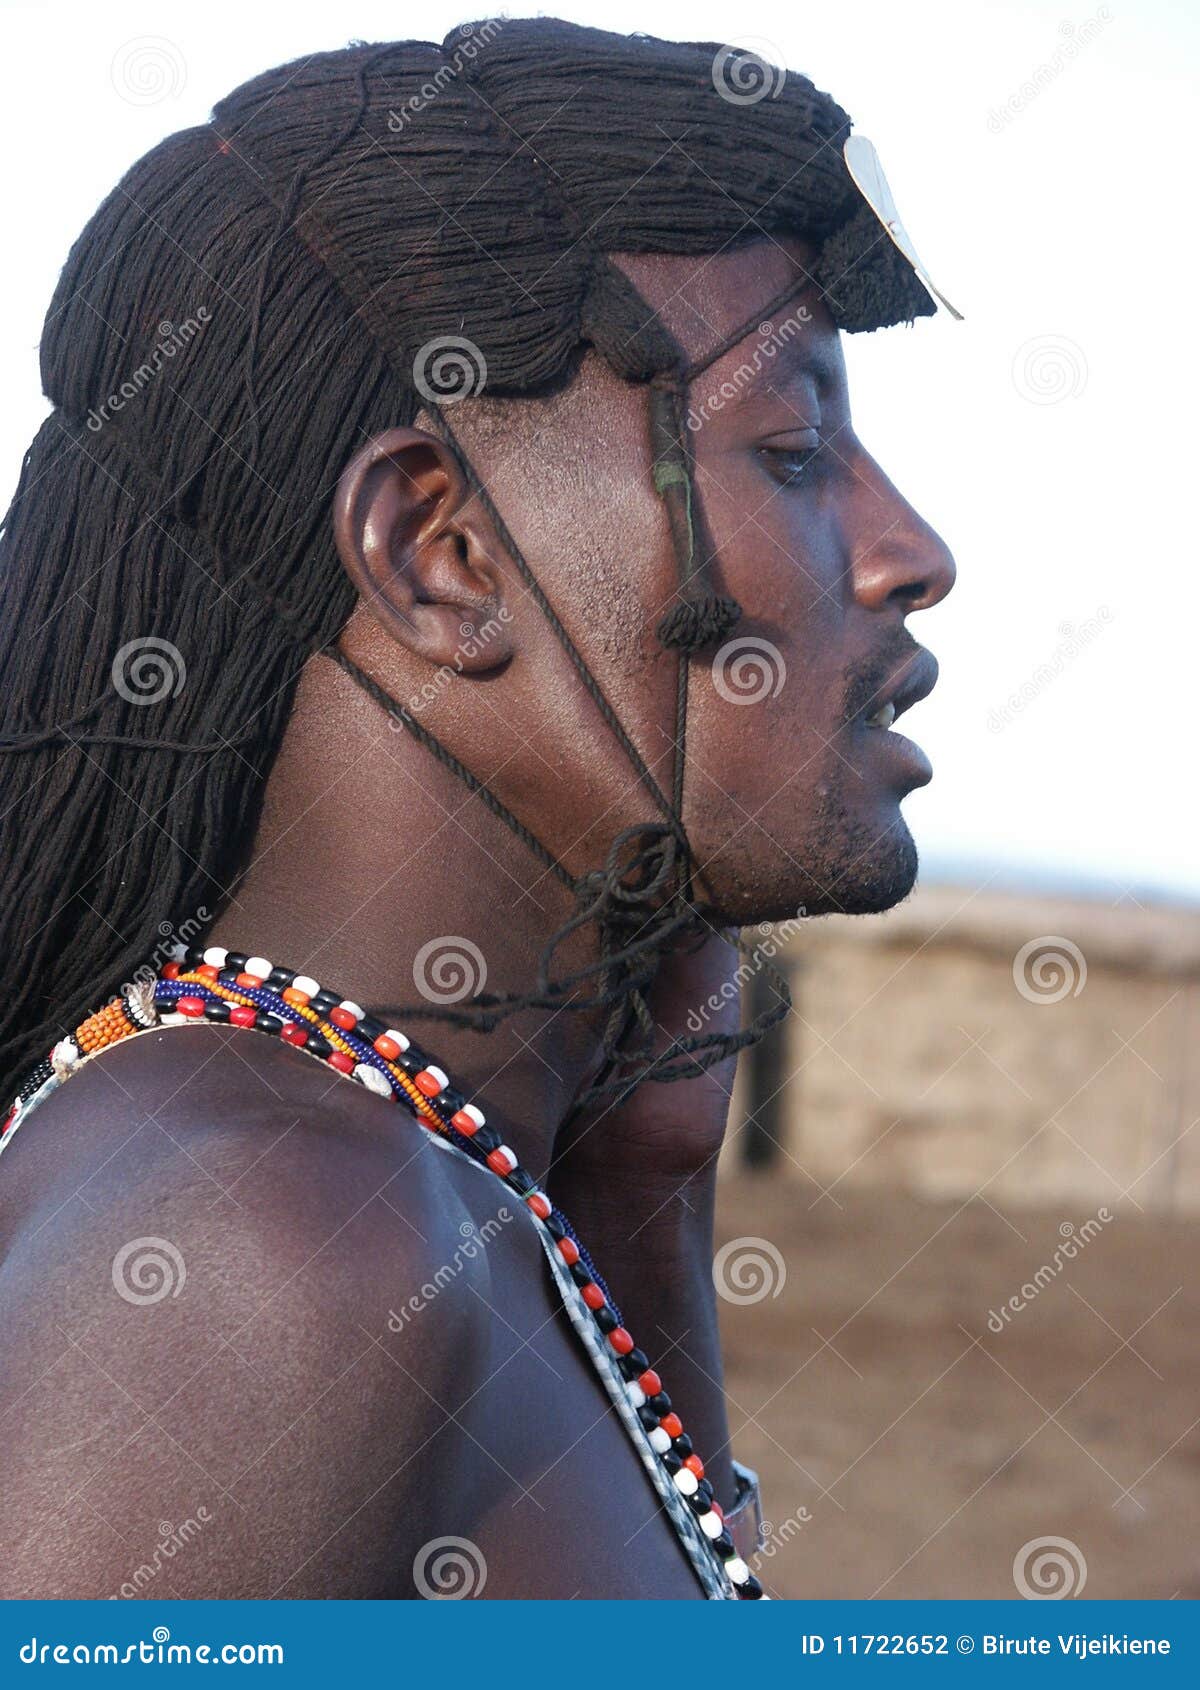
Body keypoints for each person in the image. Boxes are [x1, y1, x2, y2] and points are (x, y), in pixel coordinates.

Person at [0, 19, 955, 1599]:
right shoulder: (269, 1248)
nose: (912, 550)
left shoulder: (419, 1182)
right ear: (440, 552)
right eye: (792, 451)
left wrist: (641, 1198)